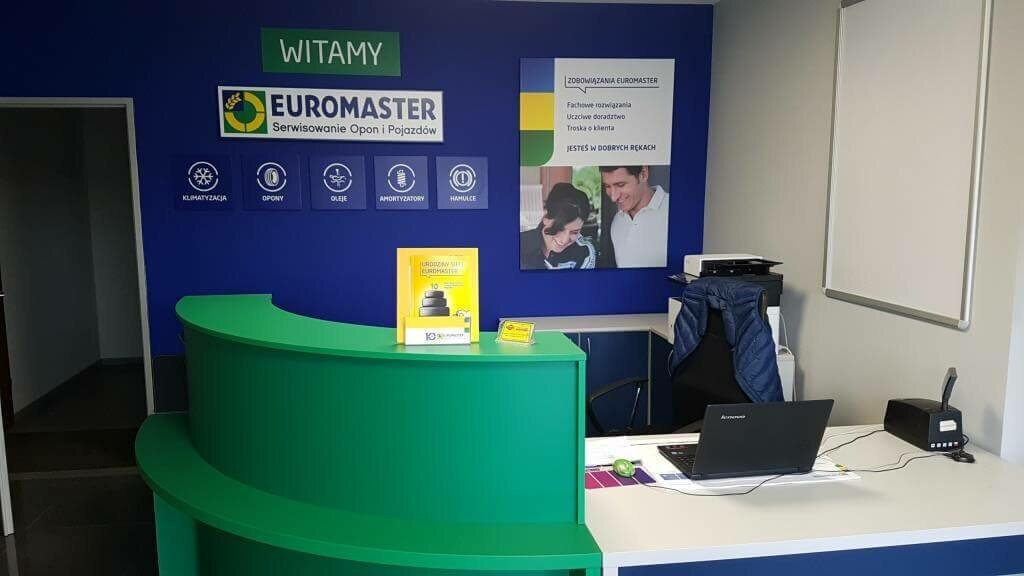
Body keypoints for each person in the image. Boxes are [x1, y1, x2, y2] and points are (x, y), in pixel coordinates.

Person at [600, 165, 669, 268]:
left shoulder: (677, 211)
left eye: (621, 185)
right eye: (607, 186)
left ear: (643, 174)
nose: (613, 197)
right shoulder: (617, 220)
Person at [520, 182, 596, 270]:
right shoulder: (518, 245)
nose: (565, 240)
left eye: (575, 232)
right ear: (546, 216)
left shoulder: (584, 252)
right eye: (560, 228)